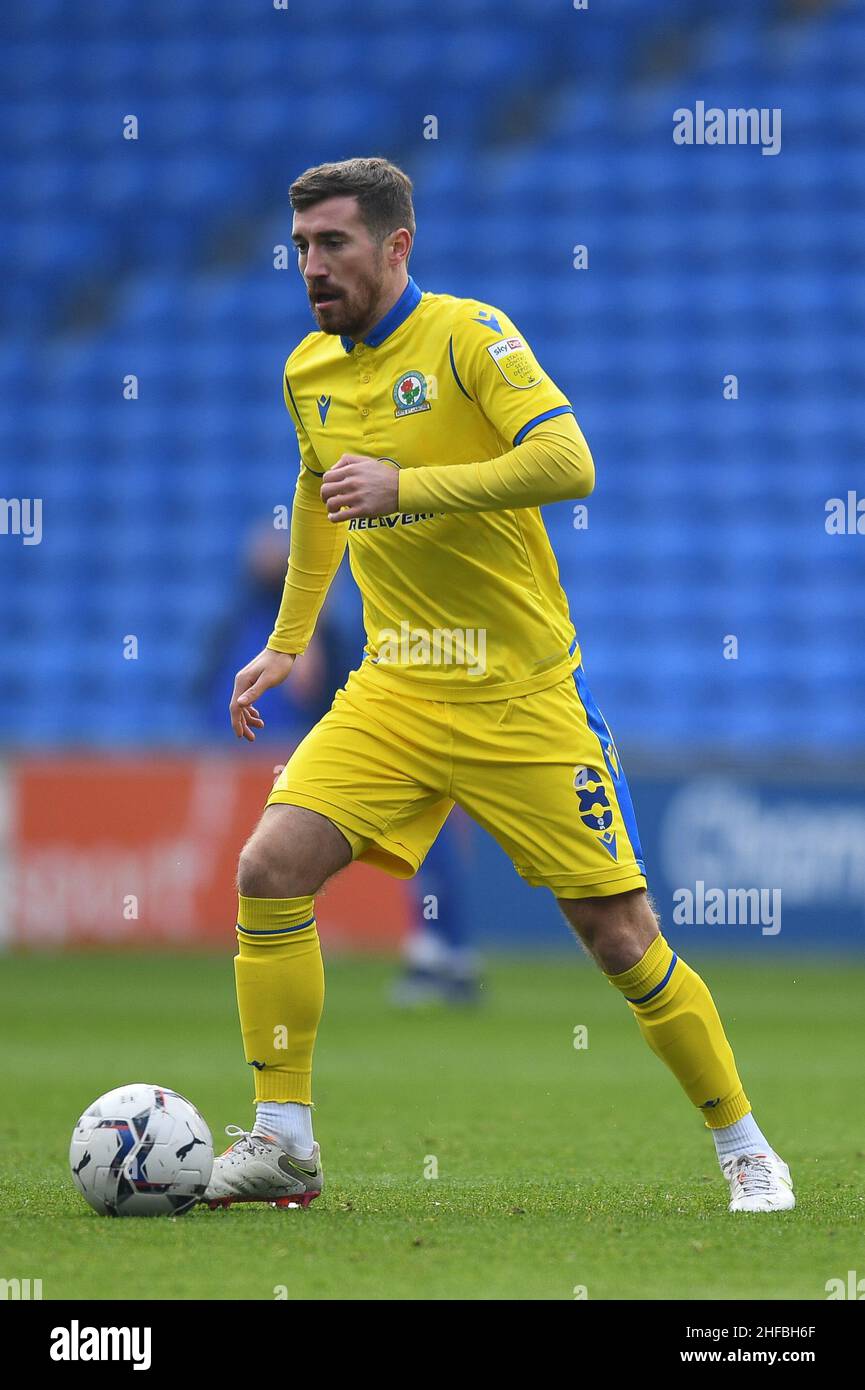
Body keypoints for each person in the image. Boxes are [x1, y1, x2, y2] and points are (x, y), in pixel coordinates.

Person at [203, 157, 793, 1215]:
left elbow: (570, 460)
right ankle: (284, 1139)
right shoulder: (308, 371)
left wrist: (409, 486)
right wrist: (289, 643)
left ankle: (745, 1145)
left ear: (396, 246)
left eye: (332, 243)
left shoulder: (472, 336)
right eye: (298, 247)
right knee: (269, 867)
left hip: (519, 694)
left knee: (621, 937)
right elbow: (316, 495)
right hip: (394, 687)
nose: (310, 266)